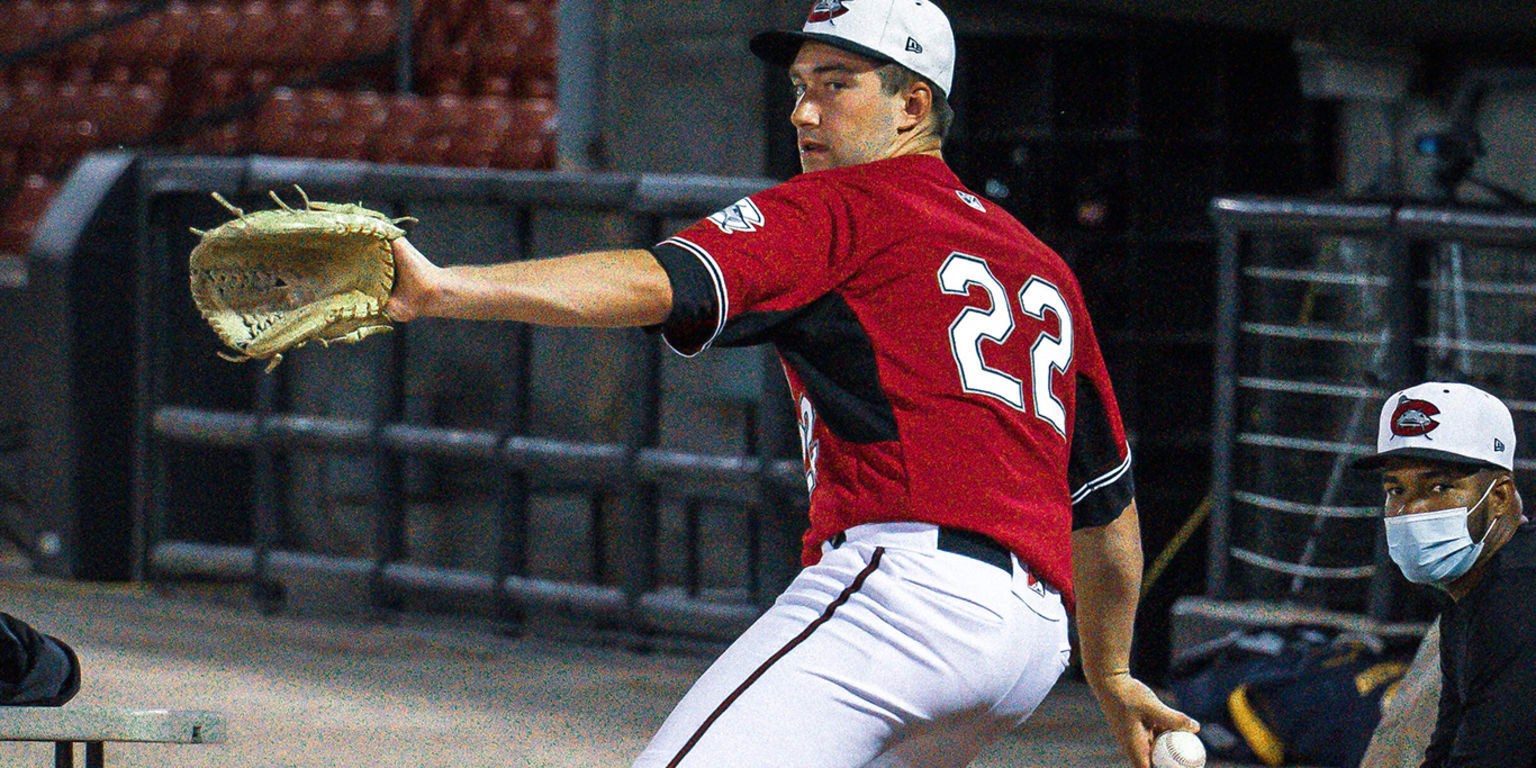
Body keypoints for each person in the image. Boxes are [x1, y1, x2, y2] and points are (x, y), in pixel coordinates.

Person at [383, 0, 1195, 765]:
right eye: (800, 87)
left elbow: (657, 281)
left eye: (837, 84)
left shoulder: (847, 206)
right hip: (1029, 643)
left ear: (913, 106)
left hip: (910, 600)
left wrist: (449, 289)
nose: (804, 112)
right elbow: (1108, 512)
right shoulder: (1038, 262)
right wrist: (1113, 671)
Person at [1354, 382, 1536, 767]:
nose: (1411, 511)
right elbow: (1445, 748)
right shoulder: (1475, 590)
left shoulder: (1518, 605)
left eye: (1439, 487)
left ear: (1500, 497)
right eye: (1396, 489)